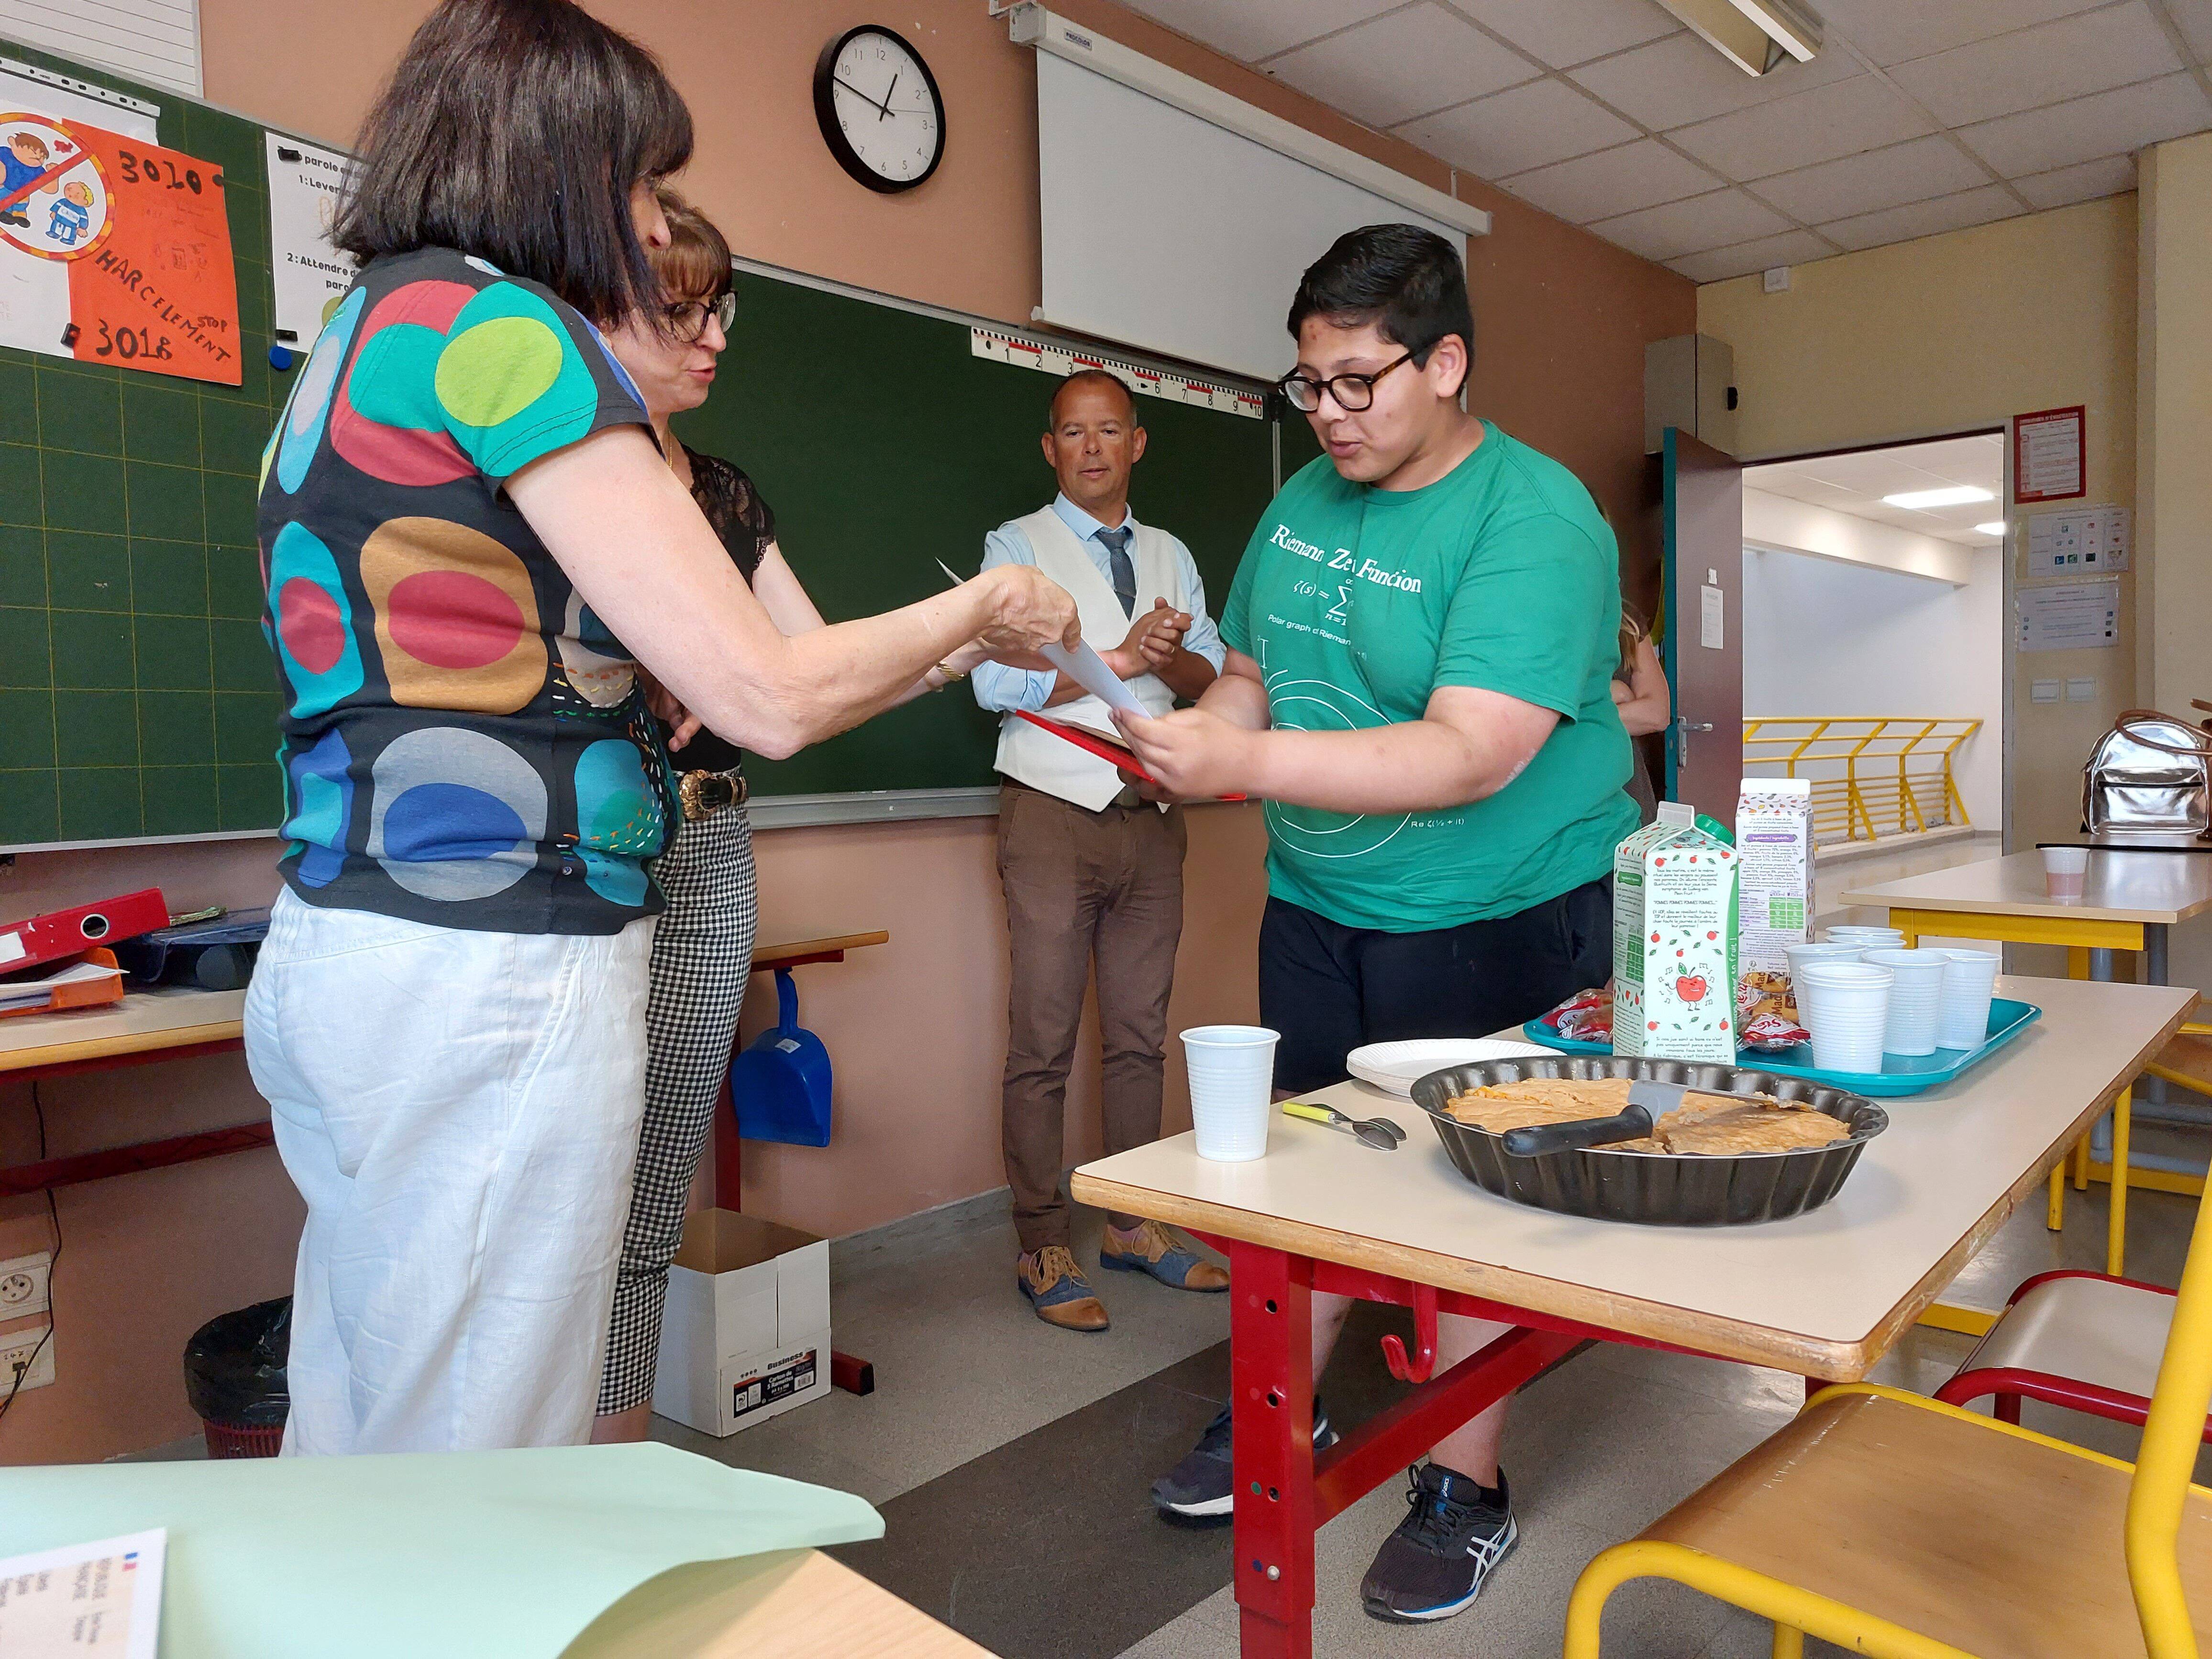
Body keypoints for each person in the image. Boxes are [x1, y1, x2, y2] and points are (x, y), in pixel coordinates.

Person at [243, 0, 1075, 1456]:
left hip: (353, 939)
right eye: (636, 185)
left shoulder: (355, 333)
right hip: (498, 960)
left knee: (371, 1398)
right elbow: (769, 693)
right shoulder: (502, 334)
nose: (644, 227)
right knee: (484, 1448)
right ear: (560, 167)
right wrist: (985, 604)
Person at [1119, 224, 1637, 1623]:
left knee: (1473, 1206)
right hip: (1322, 907)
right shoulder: (1298, 507)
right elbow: (1246, 674)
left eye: (1357, 383)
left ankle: (1464, 1488)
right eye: (1309, 385)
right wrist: (1200, 731)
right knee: (1303, 1164)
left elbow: (1471, 750)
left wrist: (1242, 768)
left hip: (1498, 916)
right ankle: (1279, 1417)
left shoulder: (1532, 519)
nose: (1330, 415)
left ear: (1447, 361)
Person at [588, 189, 998, 1439]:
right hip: (587, 859)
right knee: (574, 1182)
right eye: (685, 310)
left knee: (657, 1186)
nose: (714, 336)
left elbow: (814, 668)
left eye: (724, 311)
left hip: (711, 845)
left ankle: (620, 1460)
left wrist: (969, 625)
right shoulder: (564, 480)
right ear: (605, 314)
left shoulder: (723, 491)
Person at [972, 369, 1229, 1330]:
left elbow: (1206, 675)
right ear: (1050, 450)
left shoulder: (1169, 551)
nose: (1089, 447)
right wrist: (1112, 660)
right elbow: (993, 683)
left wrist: (1171, 658)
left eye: (1107, 431)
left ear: (1137, 444)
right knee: (1041, 1041)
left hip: (1152, 817)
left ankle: (1129, 1224)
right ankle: (1041, 1240)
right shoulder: (1016, 546)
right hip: (1049, 812)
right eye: (1071, 432)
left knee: (1137, 1036)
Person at [1613, 603, 1670, 822]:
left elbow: (1656, 714)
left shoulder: (1626, 620)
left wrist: (1587, 712)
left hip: (1626, 782)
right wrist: (1618, 694)